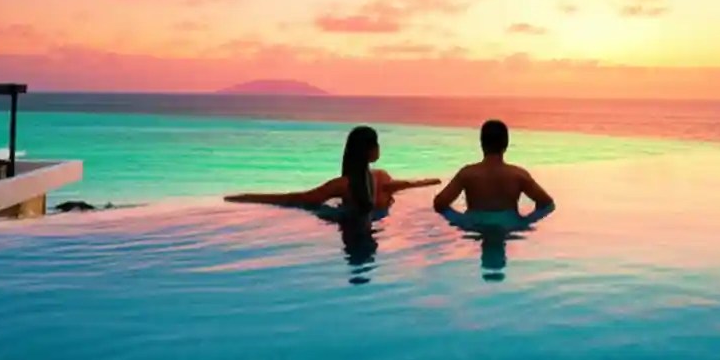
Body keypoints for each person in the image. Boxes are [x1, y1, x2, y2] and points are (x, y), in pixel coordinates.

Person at [224, 126, 440, 212]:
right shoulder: (379, 179)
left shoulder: (349, 183)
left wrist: (247, 197)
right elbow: (407, 185)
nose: (379, 148)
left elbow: (299, 198)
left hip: (351, 231)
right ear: (369, 150)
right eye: (376, 143)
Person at [432, 119, 554, 213]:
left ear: (481, 143)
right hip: (508, 226)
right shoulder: (519, 175)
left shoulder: (467, 174)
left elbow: (439, 203)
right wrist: (524, 223)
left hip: (476, 225)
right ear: (506, 144)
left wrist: (462, 222)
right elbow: (547, 204)